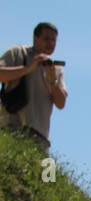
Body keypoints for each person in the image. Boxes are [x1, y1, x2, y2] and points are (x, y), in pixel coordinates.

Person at [0, 23, 67, 152]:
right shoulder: (18, 52)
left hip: (39, 136)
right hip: (12, 128)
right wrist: (29, 68)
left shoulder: (55, 68)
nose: (51, 43)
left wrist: (52, 78)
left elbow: (61, 103)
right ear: (35, 38)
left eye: (54, 40)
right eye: (47, 39)